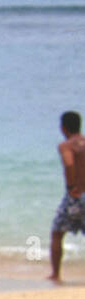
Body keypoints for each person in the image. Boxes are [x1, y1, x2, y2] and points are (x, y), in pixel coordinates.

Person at [49, 110, 85, 283]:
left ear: (63, 128)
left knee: (57, 233)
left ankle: (56, 274)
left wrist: (72, 186)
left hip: (75, 195)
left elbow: (69, 163)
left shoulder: (66, 146)